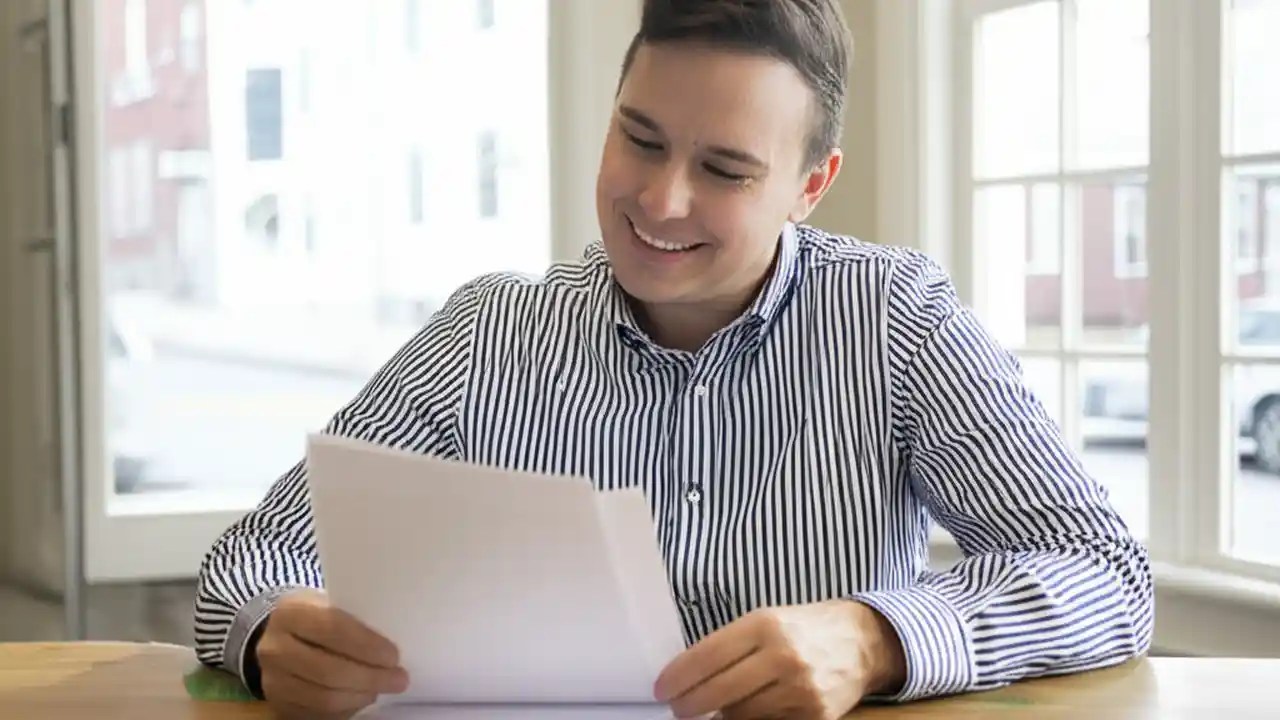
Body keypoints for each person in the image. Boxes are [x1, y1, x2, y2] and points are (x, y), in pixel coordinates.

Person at [194, 1, 1154, 718]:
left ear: (810, 186)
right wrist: (274, 630)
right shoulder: (486, 332)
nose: (660, 202)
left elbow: (1104, 571)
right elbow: (248, 561)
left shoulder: (895, 320)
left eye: (725, 171)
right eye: (638, 139)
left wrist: (874, 637)